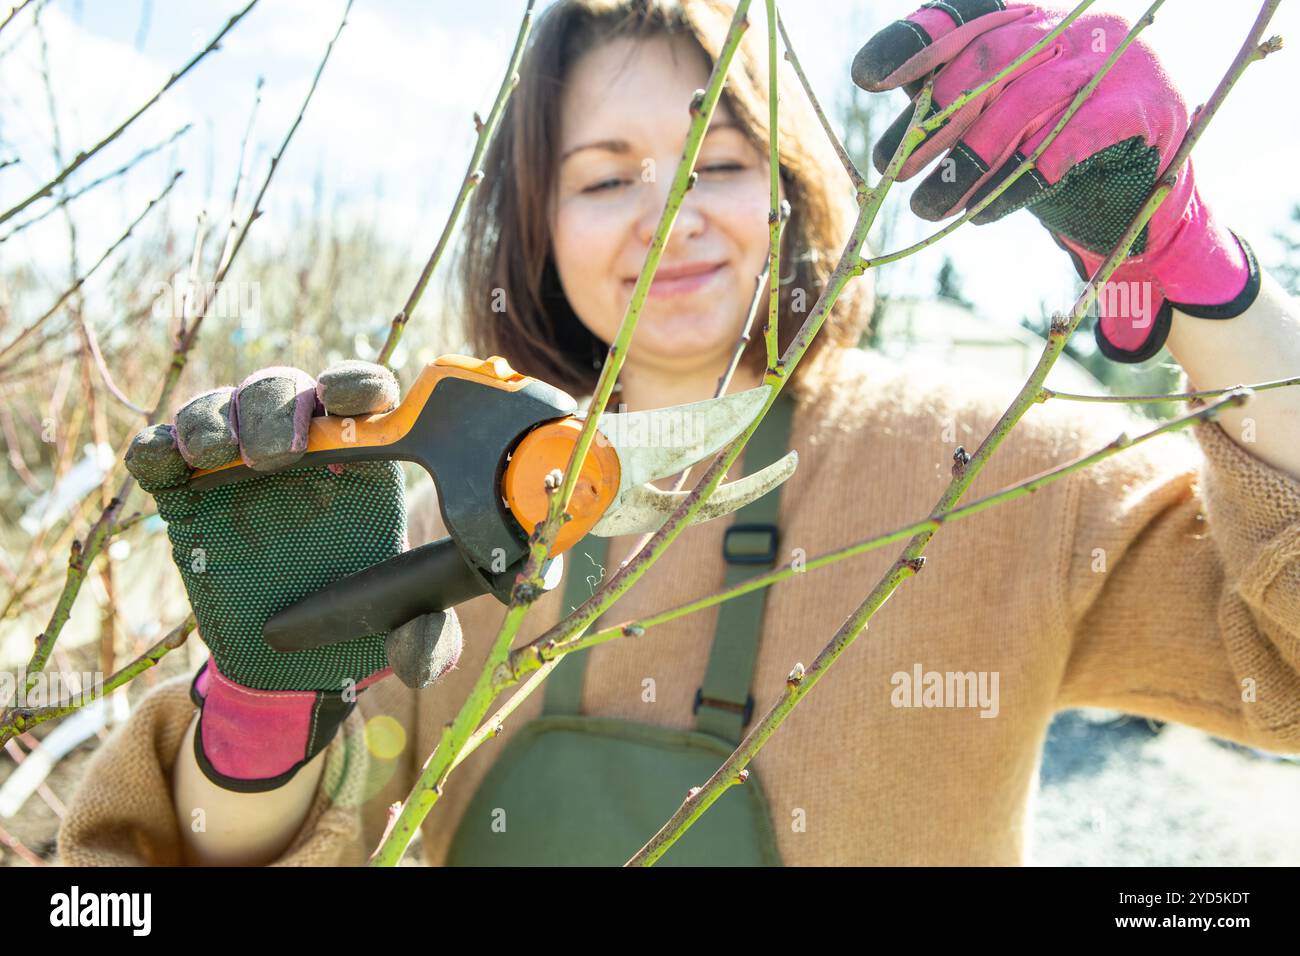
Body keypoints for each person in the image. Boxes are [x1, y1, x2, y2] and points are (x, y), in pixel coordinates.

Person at [57, 0, 1300, 867]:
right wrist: (262, 712)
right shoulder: (419, 520)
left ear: (792, 187)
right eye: (604, 177)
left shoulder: (987, 467)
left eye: (718, 157)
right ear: (531, 226)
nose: (671, 217)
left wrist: (1197, 271)